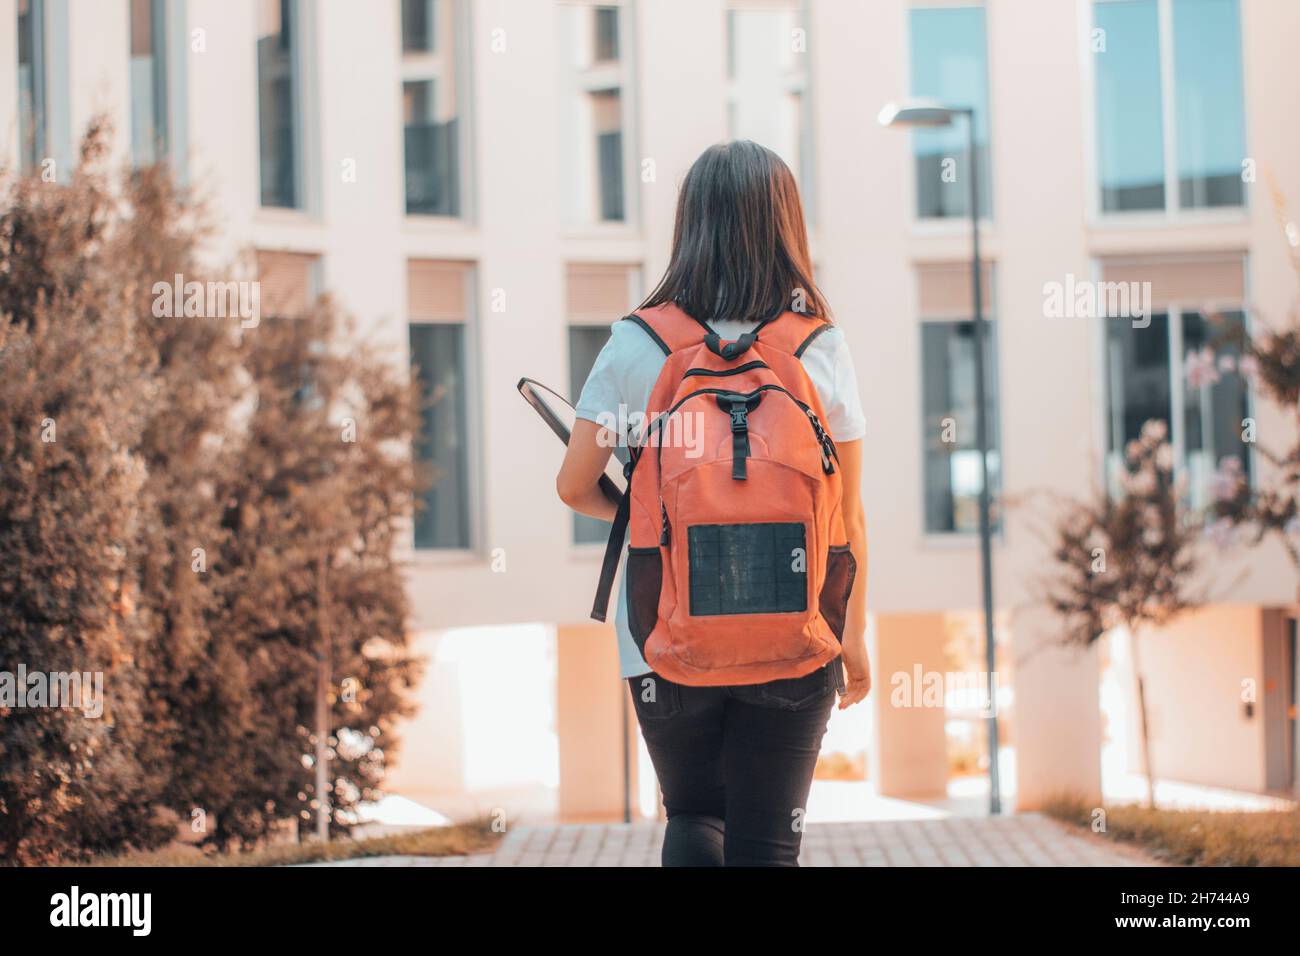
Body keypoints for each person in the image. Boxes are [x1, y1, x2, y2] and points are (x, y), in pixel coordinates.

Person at [556, 141, 870, 866]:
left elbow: (575, 485)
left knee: (694, 816)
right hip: (797, 636)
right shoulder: (818, 345)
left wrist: (649, 521)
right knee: (768, 843)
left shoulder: (638, 343)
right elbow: (847, 517)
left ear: (688, 225)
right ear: (785, 225)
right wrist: (851, 639)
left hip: (664, 638)